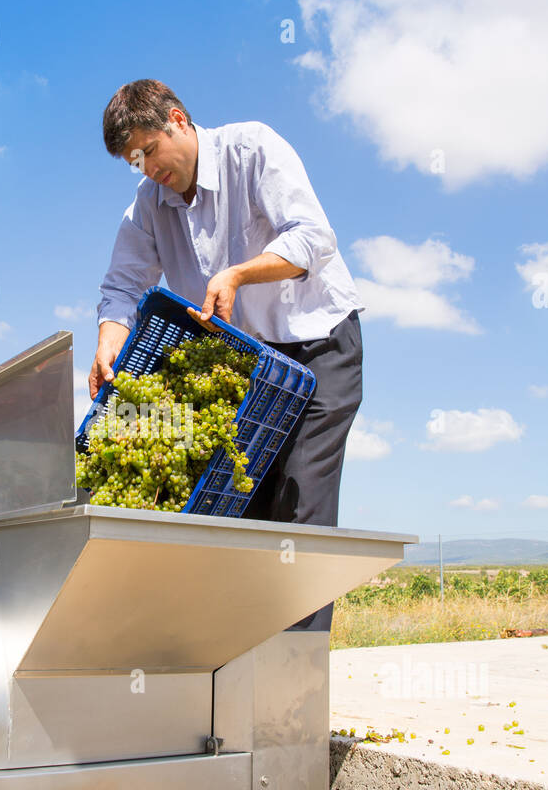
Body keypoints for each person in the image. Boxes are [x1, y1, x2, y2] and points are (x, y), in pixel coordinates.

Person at [91, 79, 364, 632]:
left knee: (298, 508)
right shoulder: (148, 205)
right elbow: (121, 286)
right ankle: (243, 678)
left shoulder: (252, 148)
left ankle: (292, 689)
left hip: (315, 345)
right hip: (249, 364)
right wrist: (108, 338)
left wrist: (239, 272)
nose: (145, 169)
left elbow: (314, 237)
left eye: (148, 151)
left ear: (178, 120)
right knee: (243, 509)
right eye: (132, 161)